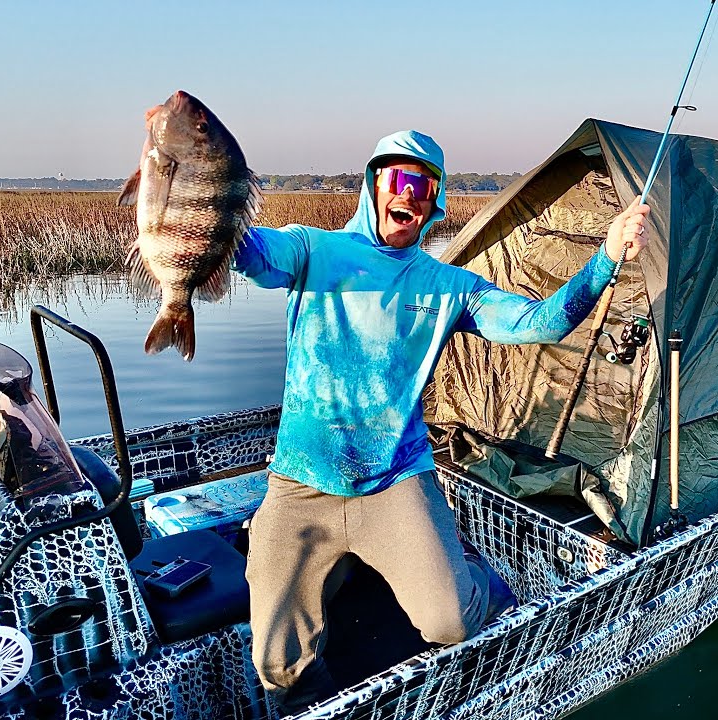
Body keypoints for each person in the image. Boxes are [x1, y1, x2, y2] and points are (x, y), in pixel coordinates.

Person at [234, 129, 648, 713]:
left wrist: (605, 259)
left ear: (437, 205)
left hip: (396, 479)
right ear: (373, 184)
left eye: (425, 187)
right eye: (400, 179)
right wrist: (198, 202)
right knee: (276, 663)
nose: (411, 195)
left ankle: (479, 579)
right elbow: (248, 254)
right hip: (300, 482)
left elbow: (540, 324)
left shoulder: (447, 287)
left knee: (450, 620)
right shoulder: (312, 251)